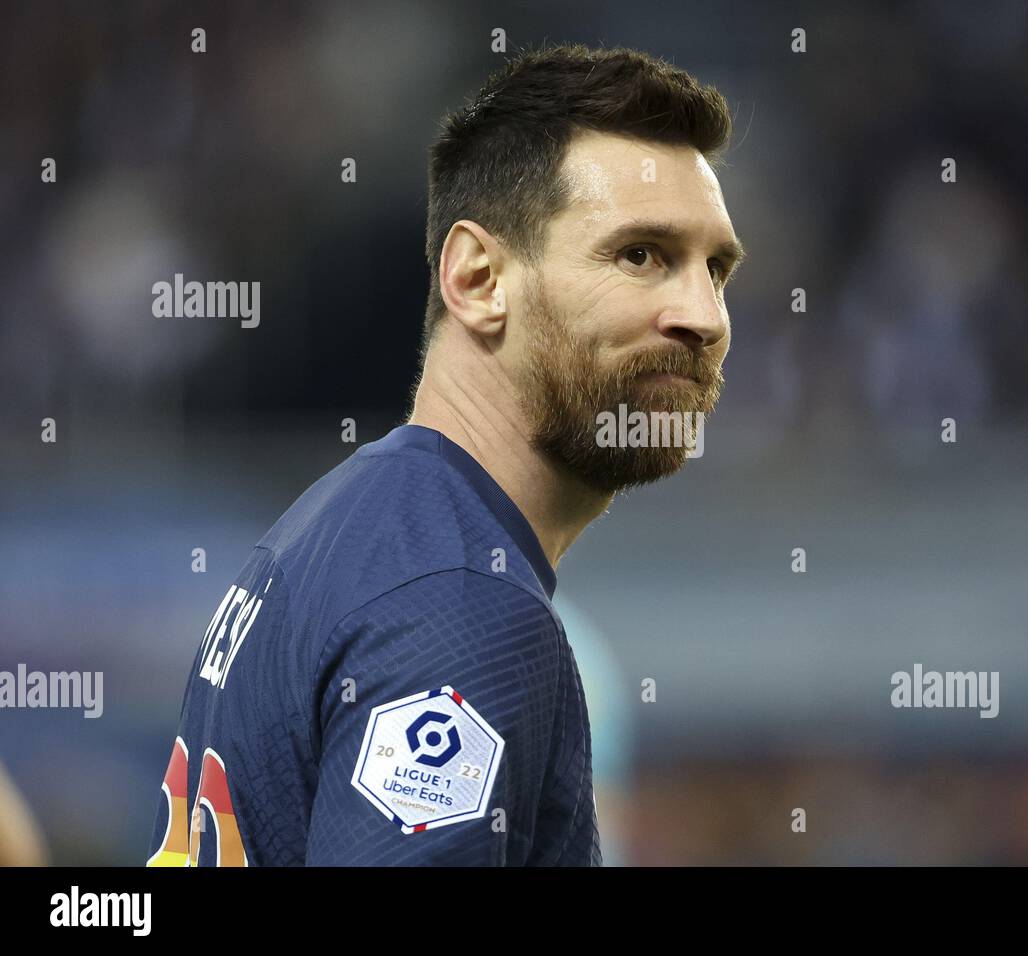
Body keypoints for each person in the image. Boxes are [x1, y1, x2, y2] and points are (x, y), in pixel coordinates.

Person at [146, 43, 744, 866]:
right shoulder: (464, 605)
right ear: (478, 279)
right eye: (641, 255)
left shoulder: (335, 531)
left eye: (717, 269)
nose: (704, 316)